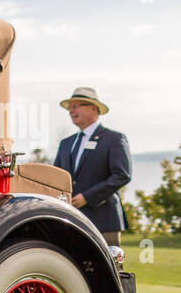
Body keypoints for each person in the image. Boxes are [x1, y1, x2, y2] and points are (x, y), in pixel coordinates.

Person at [53, 87, 132, 246]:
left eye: (76, 106)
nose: (71, 111)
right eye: (70, 107)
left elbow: (122, 175)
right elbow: (56, 178)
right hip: (71, 219)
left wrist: (87, 197)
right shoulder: (66, 143)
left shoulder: (114, 139)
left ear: (94, 108)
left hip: (103, 219)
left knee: (107, 270)